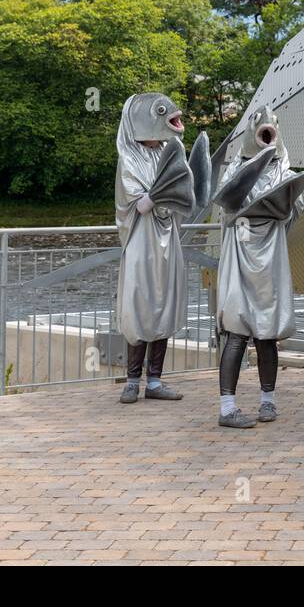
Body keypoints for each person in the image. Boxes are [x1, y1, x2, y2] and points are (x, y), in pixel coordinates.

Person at [213, 107, 304, 429]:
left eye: (272, 128)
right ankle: (227, 408)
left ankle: (268, 401)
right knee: (237, 332)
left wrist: (284, 209)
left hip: (271, 257)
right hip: (240, 255)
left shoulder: (284, 169)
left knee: (266, 333)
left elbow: (295, 207)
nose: (268, 131)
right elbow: (224, 207)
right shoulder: (235, 168)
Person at [114, 92, 190, 404]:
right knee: (140, 307)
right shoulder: (129, 160)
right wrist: (165, 190)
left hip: (167, 244)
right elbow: (141, 205)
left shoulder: (169, 153)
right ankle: (133, 379)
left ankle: (155, 380)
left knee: (164, 305)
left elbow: (185, 196)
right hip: (141, 245)